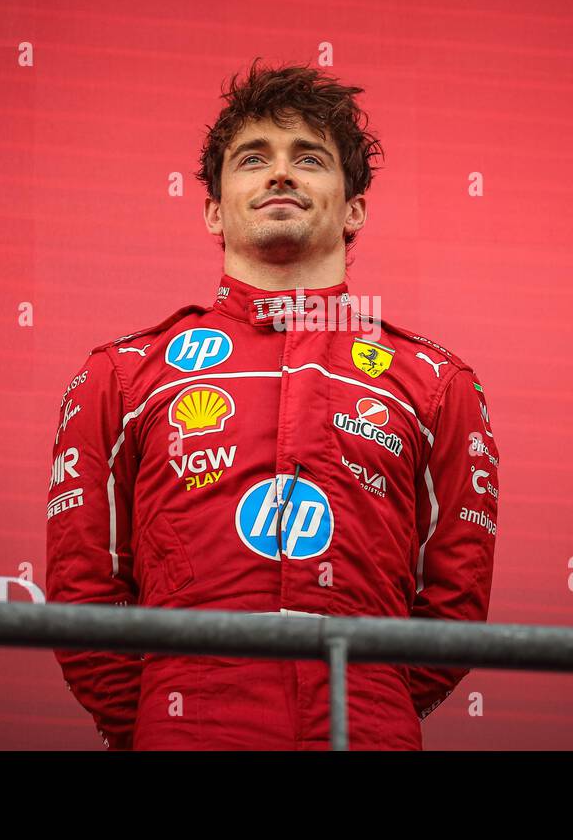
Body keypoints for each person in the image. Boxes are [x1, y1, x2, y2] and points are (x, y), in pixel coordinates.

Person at [45, 59, 501, 749]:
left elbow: (455, 603)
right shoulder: (124, 375)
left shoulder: (438, 381)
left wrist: (367, 701)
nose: (280, 174)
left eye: (308, 159)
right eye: (253, 158)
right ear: (211, 209)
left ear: (355, 209)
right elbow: (81, 596)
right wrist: (165, 714)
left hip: (367, 728)